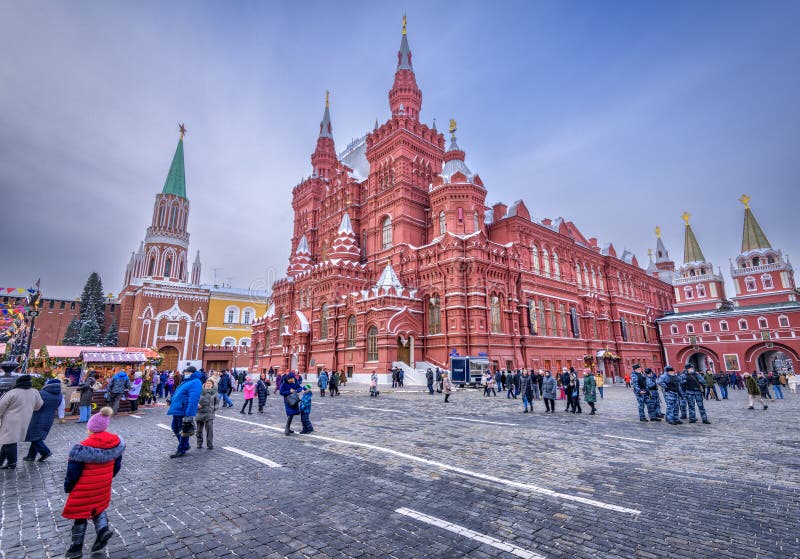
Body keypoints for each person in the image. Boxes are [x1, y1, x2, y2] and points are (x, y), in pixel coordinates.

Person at [62, 406, 124, 558]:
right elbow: (117, 466)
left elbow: (73, 473)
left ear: (91, 429)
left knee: (81, 515)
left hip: (83, 488)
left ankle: (75, 548)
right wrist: (108, 478)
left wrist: (68, 486)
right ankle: (102, 530)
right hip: (103, 486)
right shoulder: (115, 443)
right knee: (98, 506)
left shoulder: (82, 448)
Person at [0, 375, 43, 469]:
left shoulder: (12, 392)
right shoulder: (34, 392)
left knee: (10, 441)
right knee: (7, 440)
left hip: (10, 420)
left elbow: (1, 407)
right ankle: (1, 461)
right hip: (25, 419)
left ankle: (12, 462)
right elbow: (39, 406)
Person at [166, 367, 202, 458]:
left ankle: (181, 448)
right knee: (175, 427)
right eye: (185, 372)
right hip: (178, 408)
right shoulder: (186, 381)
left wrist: (189, 414)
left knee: (183, 430)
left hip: (184, 410)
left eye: (188, 372)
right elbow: (179, 394)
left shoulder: (195, 382)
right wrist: (171, 399)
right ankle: (185, 445)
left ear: (193, 373)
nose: (186, 373)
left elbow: (193, 399)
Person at [23, 378, 62, 462]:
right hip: (49, 418)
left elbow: (34, 405)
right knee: (37, 436)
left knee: (33, 436)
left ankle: (45, 452)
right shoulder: (60, 395)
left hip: (37, 418)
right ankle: (31, 456)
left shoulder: (41, 394)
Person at [195, 380, 217, 449]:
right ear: (204, 384)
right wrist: (196, 404)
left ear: (212, 385)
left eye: (210, 383)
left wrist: (214, 408)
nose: (208, 384)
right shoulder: (199, 391)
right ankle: (199, 443)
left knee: (209, 429)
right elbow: (194, 400)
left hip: (209, 413)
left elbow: (217, 402)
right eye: (207, 383)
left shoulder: (214, 393)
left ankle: (210, 444)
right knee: (199, 430)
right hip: (199, 412)